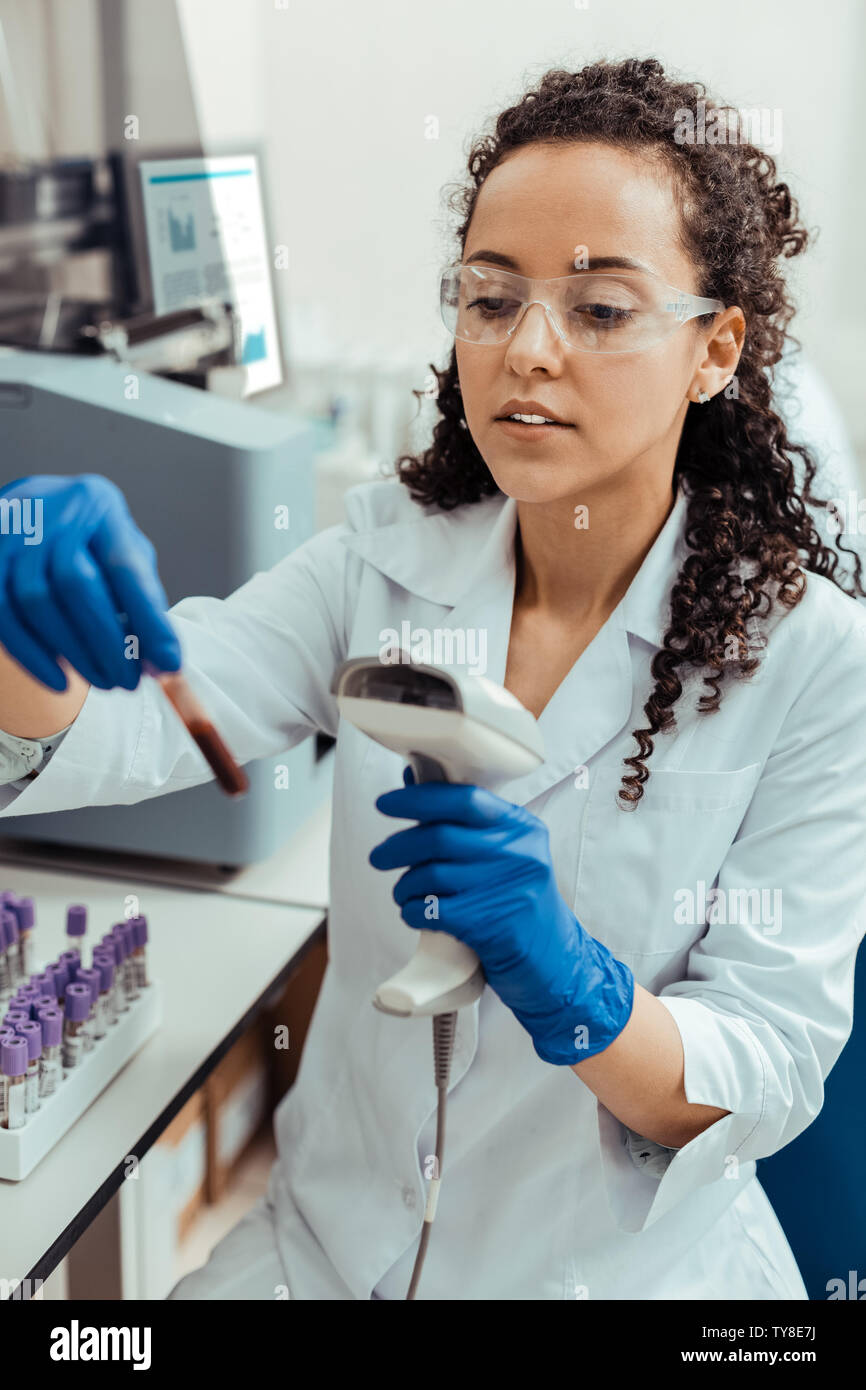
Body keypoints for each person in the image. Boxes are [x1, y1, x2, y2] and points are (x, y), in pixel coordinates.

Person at [1, 57, 865, 1301]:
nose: (528, 350)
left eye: (601, 310)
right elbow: (145, 723)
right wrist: (20, 637)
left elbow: (767, 1067)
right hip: (320, 1256)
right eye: (488, 298)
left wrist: (578, 989)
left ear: (713, 347)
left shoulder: (810, 659)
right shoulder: (380, 562)